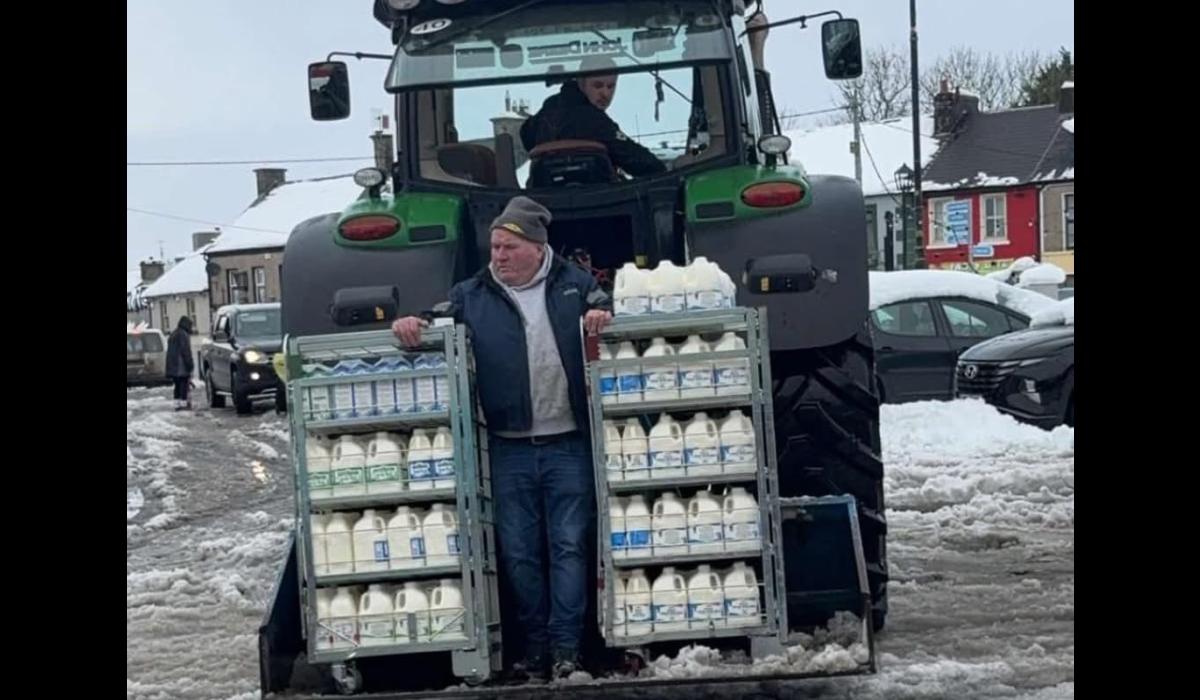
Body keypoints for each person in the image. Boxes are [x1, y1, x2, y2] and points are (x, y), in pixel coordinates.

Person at [393, 196, 612, 680]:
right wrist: (412, 324)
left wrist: (603, 317)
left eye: (509, 246)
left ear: (537, 247)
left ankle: (565, 650)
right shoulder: (473, 295)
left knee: (571, 546)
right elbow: (433, 319)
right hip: (509, 446)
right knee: (517, 552)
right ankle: (533, 647)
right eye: (494, 246)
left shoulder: (574, 286)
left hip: (569, 443)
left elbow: (606, 305)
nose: (498, 256)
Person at [520, 56, 667, 178]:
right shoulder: (596, 121)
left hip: (546, 199)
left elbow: (526, 134)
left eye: (611, 86)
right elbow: (633, 157)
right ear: (581, 83)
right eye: (598, 86)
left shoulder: (548, 110)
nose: (605, 94)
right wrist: (667, 170)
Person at [166, 316, 195, 411]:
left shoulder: (173, 334)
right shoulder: (183, 335)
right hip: (181, 367)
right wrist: (190, 365)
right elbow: (186, 351)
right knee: (183, 386)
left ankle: (177, 405)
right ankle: (183, 405)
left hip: (173, 367)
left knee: (177, 386)